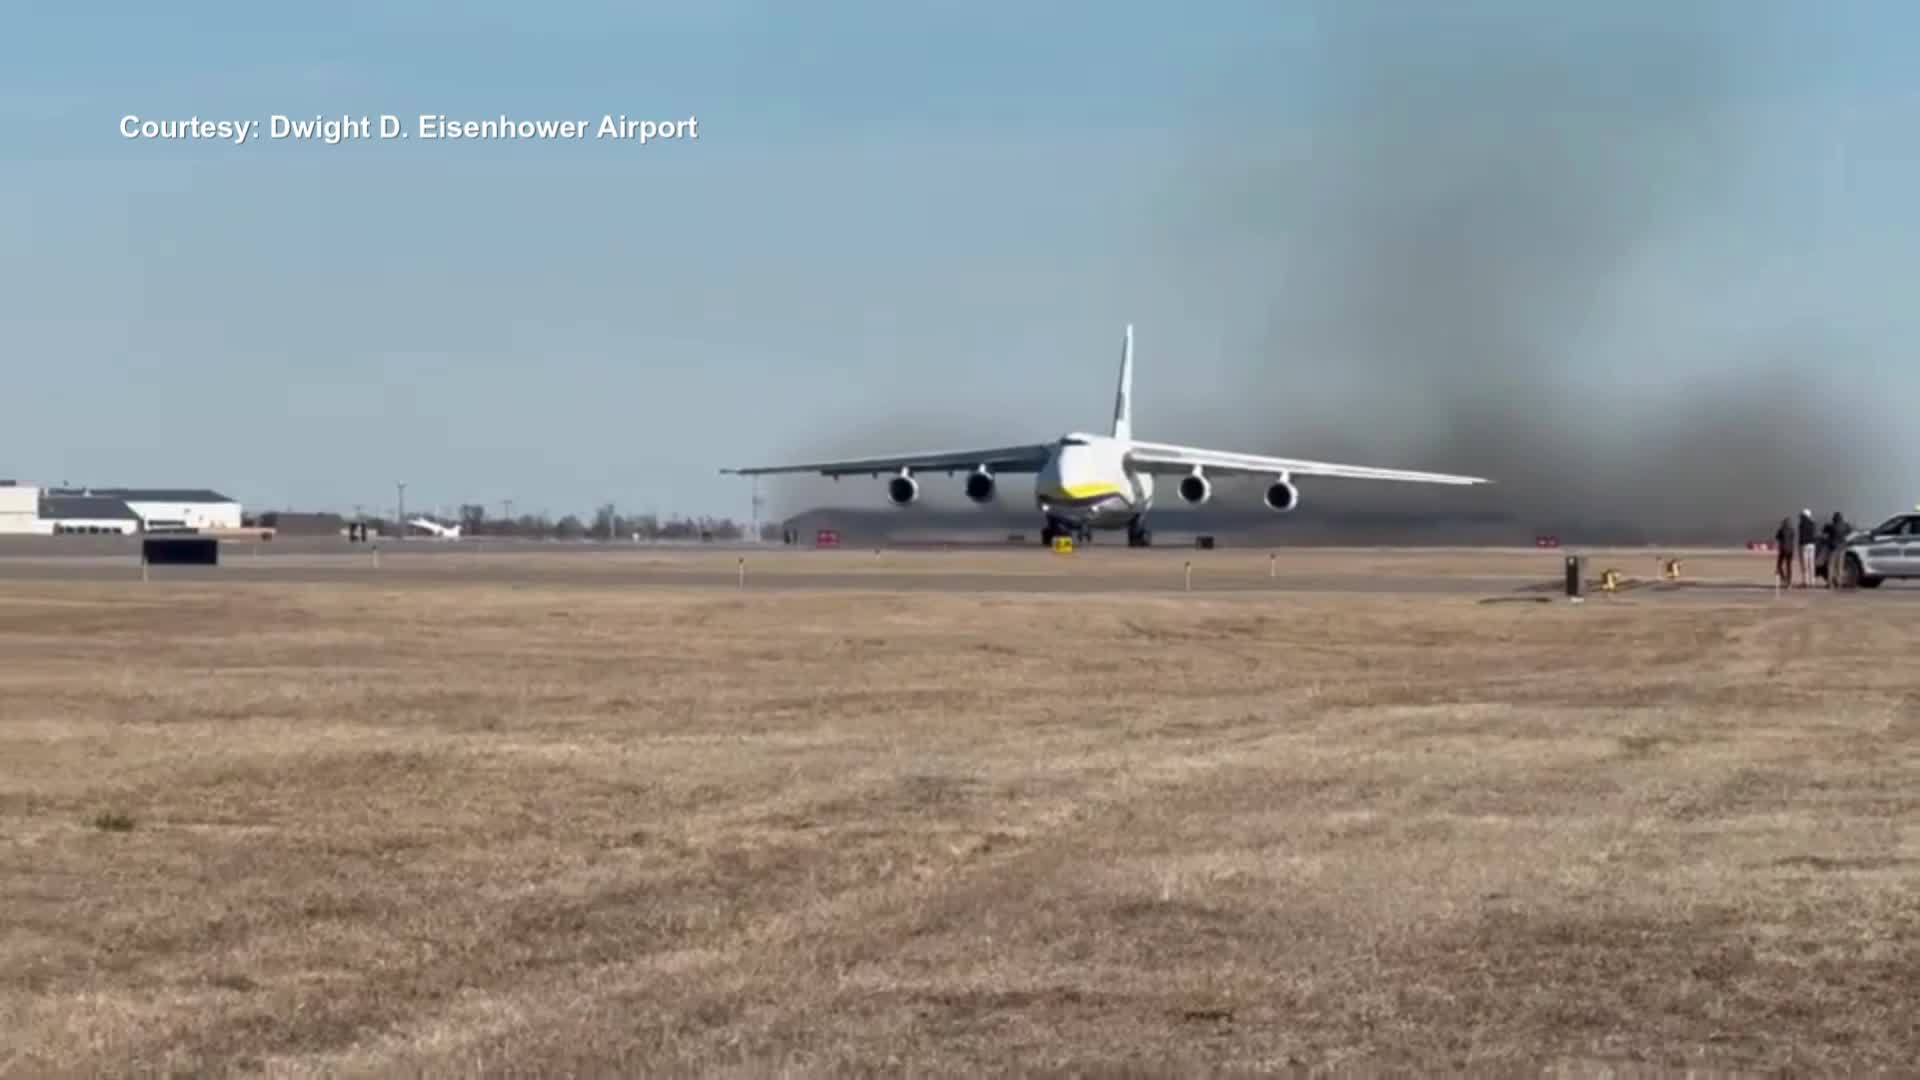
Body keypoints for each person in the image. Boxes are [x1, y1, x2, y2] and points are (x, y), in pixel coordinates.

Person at [1824, 511, 1852, 588]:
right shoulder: (1845, 526)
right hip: (1842, 547)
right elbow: (1850, 530)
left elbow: (1824, 531)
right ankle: (1839, 582)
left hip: (1833, 548)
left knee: (1830, 565)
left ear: (1834, 518)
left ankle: (1830, 583)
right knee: (1840, 566)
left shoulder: (1831, 526)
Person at [1797, 509, 1819, 588]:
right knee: (1811, 564)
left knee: (1804, 564)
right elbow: (1815, 534)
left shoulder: (1801, 524)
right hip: (1812, 545)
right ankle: (1812, 582)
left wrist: (1799, 545)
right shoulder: (1813, 523)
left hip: (1804, 545)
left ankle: (1805, 582)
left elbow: (1801, 536)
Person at [1774, 515, 1796, 587]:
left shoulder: (1781, 530)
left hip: (1783, 549)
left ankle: (1784, 579)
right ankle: (1789, 582)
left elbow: (1777, 537)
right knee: (1789, 566)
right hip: (1790, 550)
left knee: (1779, 565)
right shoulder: (1792, 530)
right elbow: (1792, 538)